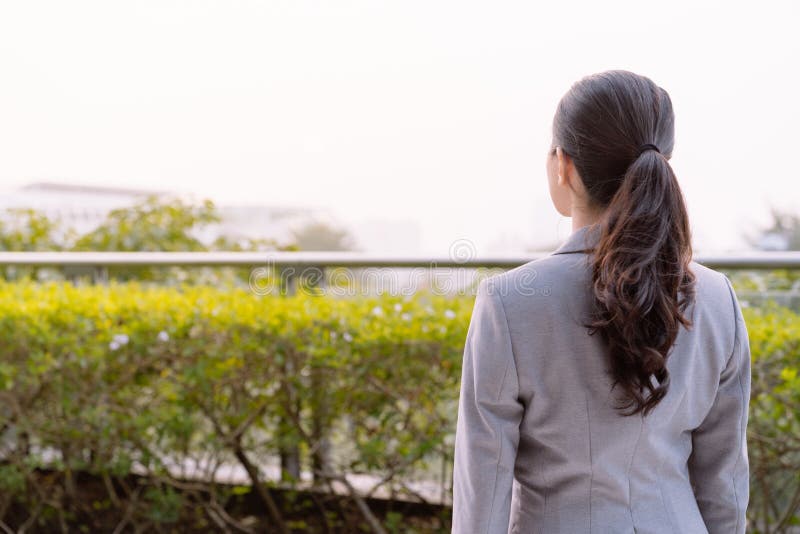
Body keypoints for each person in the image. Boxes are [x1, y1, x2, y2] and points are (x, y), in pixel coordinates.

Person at [450, 70, 751, 534]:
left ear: (563, 165)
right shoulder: (717, 299)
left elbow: (482, 498)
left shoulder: (508, 303)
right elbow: (724, 485)